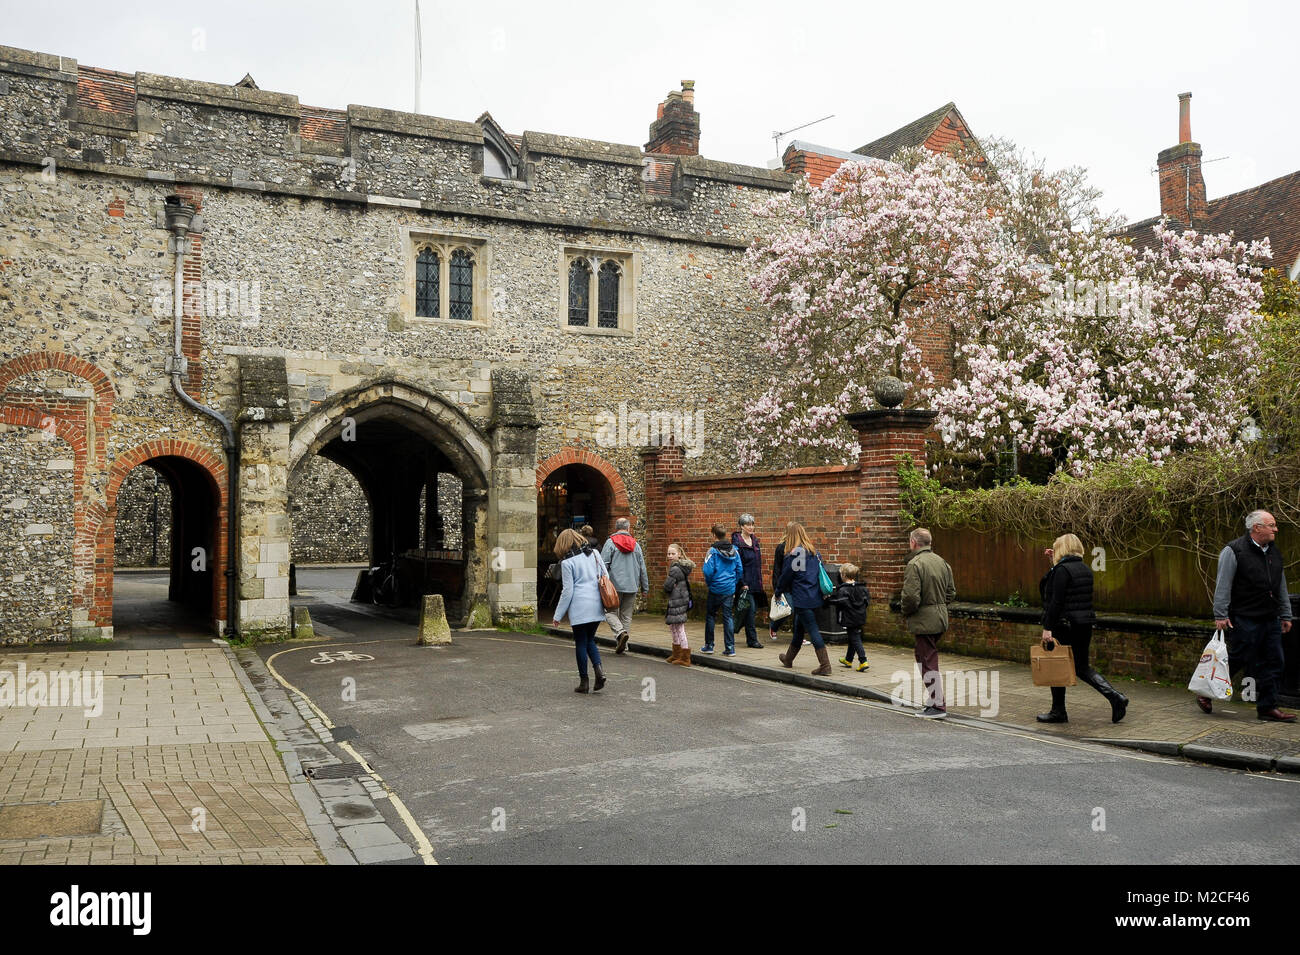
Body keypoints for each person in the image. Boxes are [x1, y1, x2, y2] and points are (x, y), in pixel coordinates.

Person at [1202, 510, 1296, 722]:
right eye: (1271, 525)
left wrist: (1285, 614)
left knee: (1275, 661)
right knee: (1236, 659)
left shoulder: (1273, 551)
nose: (1276, 529)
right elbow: (1223, 585)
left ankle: (1267, 707)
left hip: (1270, 618)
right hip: (1244, 617)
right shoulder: (1234, 550)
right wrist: (1220, 614)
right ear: (1257, 528)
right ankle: (1205, 693)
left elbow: (1280, 585)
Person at [1036, 534, 1128, 724]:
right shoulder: (1084, 569)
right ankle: (1115, 697)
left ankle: (1058, 711)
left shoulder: (1062, 570)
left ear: (1061, 548)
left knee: (1056, 665)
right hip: (1084, 624)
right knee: (1082, 667)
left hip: (1064, 625)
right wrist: (1054, 563)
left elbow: (1056, 601)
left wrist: (1047, 628)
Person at [900, 528, 956, 719]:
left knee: (927, 661)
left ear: (914, 542)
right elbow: (951, 592)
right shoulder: (942, 562)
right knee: (924, 657)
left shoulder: (915, 564)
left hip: (925, 619)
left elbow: (910, 597)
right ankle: (933, 702)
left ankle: (938, 706)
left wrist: (906, 612)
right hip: (940, 617)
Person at [552, 527, 608, 694]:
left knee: (581, 642)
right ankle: (599, 671)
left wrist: (557, 615)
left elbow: (568, 591)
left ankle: (584, 682)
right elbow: (606, 576)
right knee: (590, 639)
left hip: (579, 606)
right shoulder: (595, 554)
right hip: (596, 603)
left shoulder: (567, 562)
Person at [776, 522, 832, 675]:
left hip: (802, 597)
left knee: (813, 630)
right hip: (814, 595)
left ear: (791, 535)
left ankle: (825, 665)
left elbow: (788, 575)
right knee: (799, 629)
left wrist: (778, 591)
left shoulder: (798, 553)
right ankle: (788, 659)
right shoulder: (813, 552)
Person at [601, 517, 650, 654]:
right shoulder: (636, 544)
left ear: (616, 528)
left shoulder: (610, 543)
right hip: (632, 586)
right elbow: (642, 568)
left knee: (608, 612)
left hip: (614, 587)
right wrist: (645, 587)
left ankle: (620, 633)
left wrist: (600, 583)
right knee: (626, 616)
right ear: (628, 528)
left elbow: (603, 565)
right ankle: (624, 645)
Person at [701, 523, 743, 655]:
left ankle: (709, 645)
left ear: (714, 535)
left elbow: (707, 571)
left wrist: (710, 583)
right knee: (728, 617)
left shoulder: (712, 551)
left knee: (711, 616)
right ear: (725, 535)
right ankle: (730, 648)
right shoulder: (734, 551)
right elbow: (739, 570)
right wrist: (733, 583)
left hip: (715, 588)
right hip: (729, 589)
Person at [827, 561, 870, 671]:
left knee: (855, 638)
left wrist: (827, 599)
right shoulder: (862, 588)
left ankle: (863, 660)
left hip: (850, 617)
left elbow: (839, 601)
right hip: (860, 616)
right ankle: (848, 659)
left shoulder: (843, 589)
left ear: (843, 575)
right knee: (853, 637)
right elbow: (867, 601)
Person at [731, 514, 766, 649]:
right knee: (750, 611)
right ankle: (752, 640)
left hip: (755, 582)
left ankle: (733, 628)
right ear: (741, 526)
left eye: (752, 524)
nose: (751, 527)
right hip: (744, 584)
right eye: (748, 525)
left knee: (750, 610)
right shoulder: (737, 544)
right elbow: (737, 566)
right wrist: (742, 583)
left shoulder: (755, 541)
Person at [663, 543, 694, 667]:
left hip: (678, 601)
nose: (670, 556)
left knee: (679, 628)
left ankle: (685, 657)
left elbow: (667, 586)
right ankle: (676, 654)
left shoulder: (675, 568)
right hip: (679, 600)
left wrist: (668, 587)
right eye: (668, 553)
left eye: (673, 553)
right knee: (673, 627)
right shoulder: (679, 566)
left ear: (679, 554)